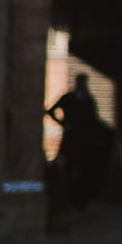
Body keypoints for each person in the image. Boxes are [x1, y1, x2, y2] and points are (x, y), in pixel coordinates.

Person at [46, 74, 109, 209]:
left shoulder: (88, 100)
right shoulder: (69, 98)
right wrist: (63, 123)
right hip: (71, 138)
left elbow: (93, 120)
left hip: (84, 140)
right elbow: (50, 110)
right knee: (69, 167)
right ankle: (67, 198)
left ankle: (79, 199)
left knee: (83, 168)